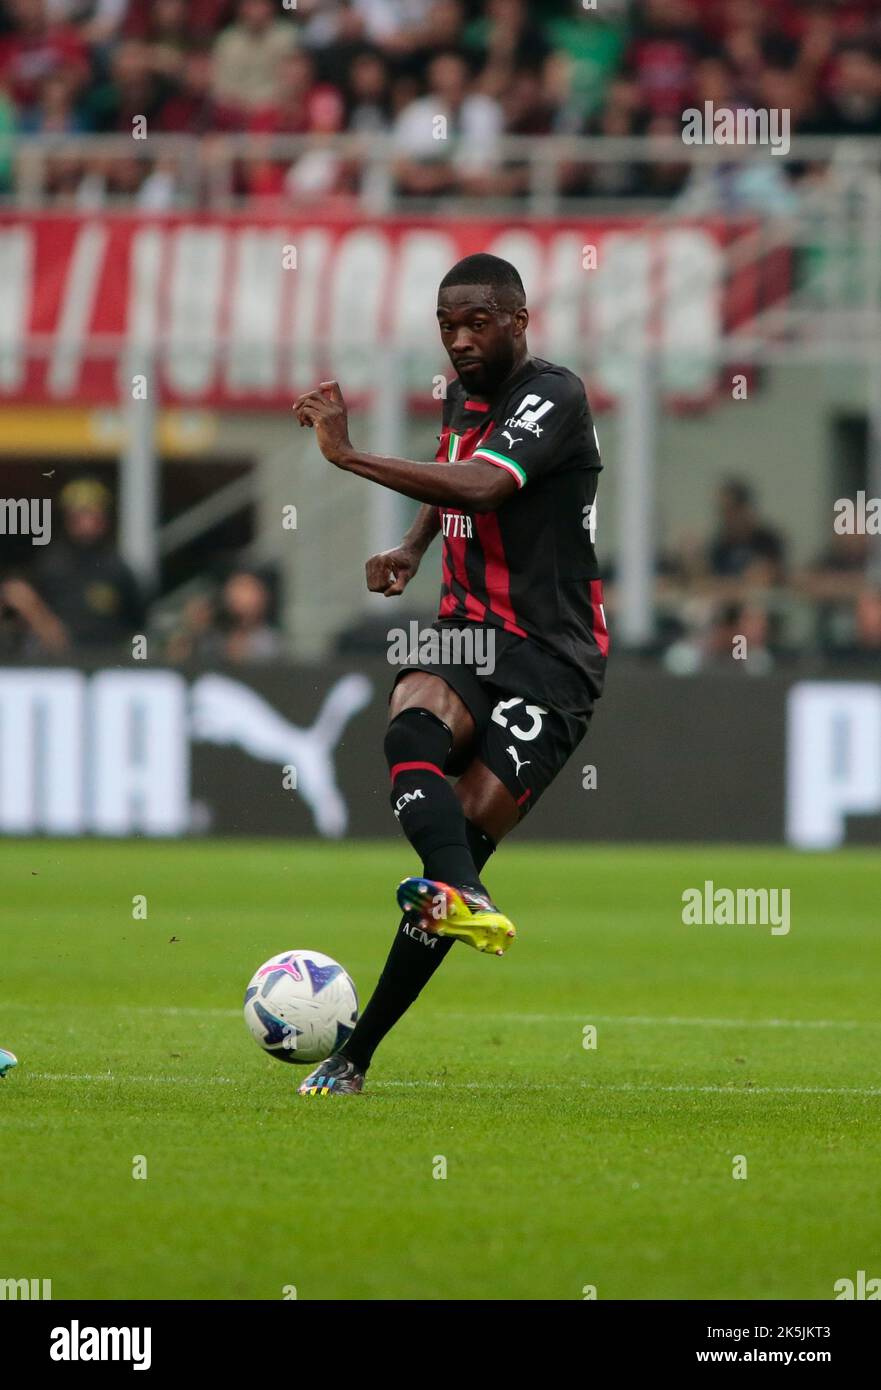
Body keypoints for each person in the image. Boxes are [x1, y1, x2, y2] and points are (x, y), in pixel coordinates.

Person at [292, 252, 608, 1095]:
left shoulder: (554, 395)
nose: (460, 341)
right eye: (446, 326)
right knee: (408, 727)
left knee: (457, 841)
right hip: (468, 630)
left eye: (477, 323)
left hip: (552, 655)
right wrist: (411, 545)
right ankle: (462, 895)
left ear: (519, 319)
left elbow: (480, 483)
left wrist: (348, 457)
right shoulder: (460, 392)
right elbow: (451, 482)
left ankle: (355, 1052)